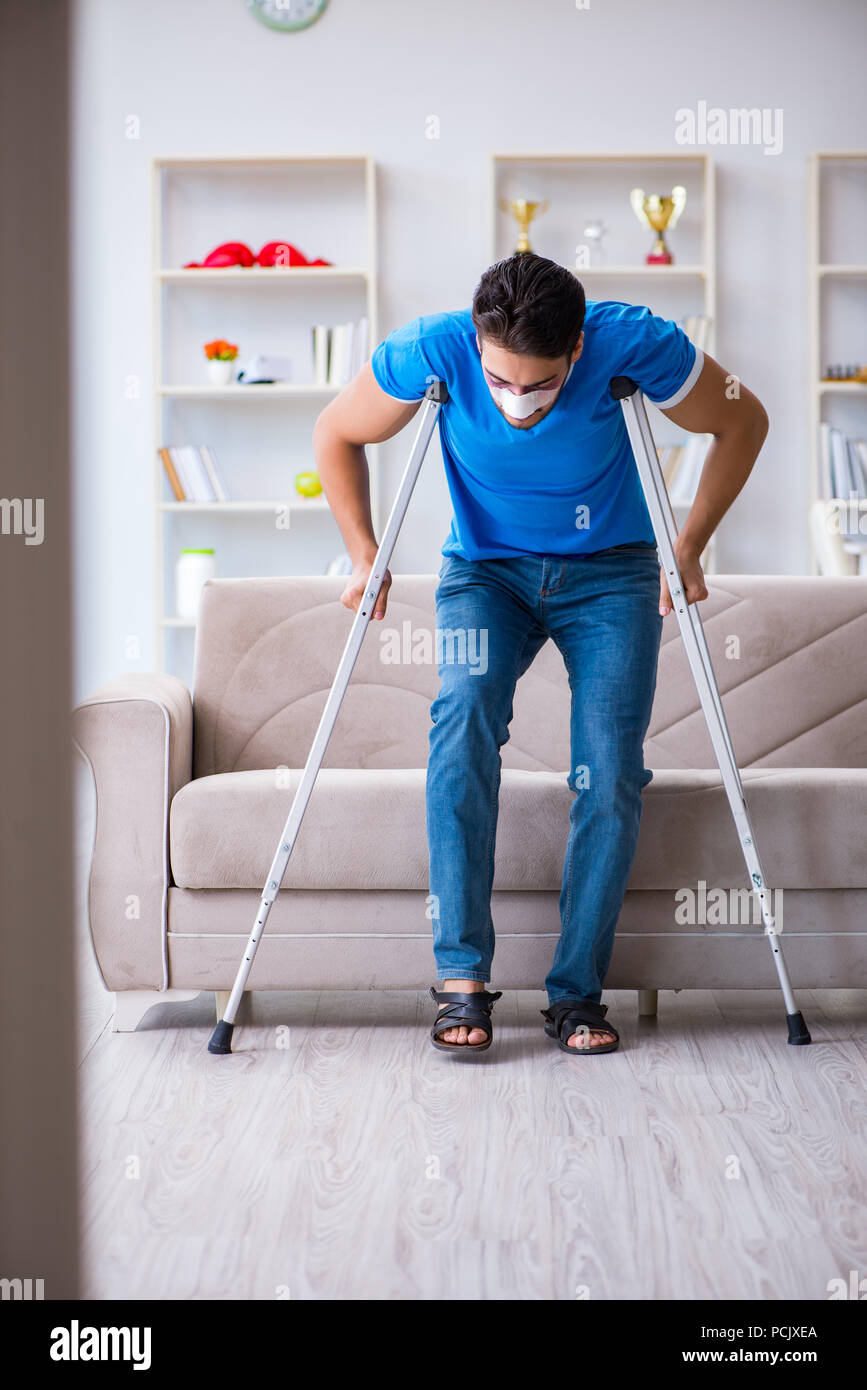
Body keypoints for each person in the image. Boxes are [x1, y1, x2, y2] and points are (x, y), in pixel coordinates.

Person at [312, 253, 768, 1057]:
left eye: (541, 383)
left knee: (609, 767)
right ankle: (460, 980)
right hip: (484, 572)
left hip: (614, 571)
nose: (517, 403)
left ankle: (576, 996)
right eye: (500, 381)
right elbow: (336, 432)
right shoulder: (431, 349)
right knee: (462, 718)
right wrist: (361, 552)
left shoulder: (632, 342)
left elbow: (743, 421)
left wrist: (688, 545)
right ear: (478, 346)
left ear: (578, 349)